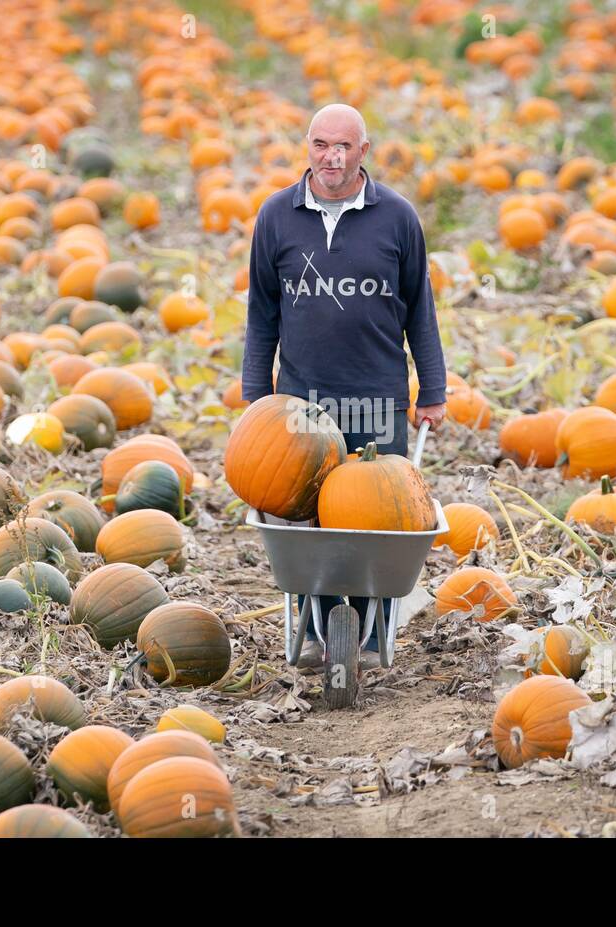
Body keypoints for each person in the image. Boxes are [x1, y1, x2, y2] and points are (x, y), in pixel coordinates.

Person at [242, 103, 448, 672]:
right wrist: (257, 394)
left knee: (375, 520)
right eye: (320, 145)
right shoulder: (277, 217)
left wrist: (431, 387)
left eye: (343, 147)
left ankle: (371, 626)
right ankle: (318, 625)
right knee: (313, 520)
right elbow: (262, 313)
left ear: (364, 151)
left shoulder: (398, 218)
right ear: (307, 147)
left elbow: (420, 313)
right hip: (301, 401)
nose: (331, 157)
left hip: (377, 395)